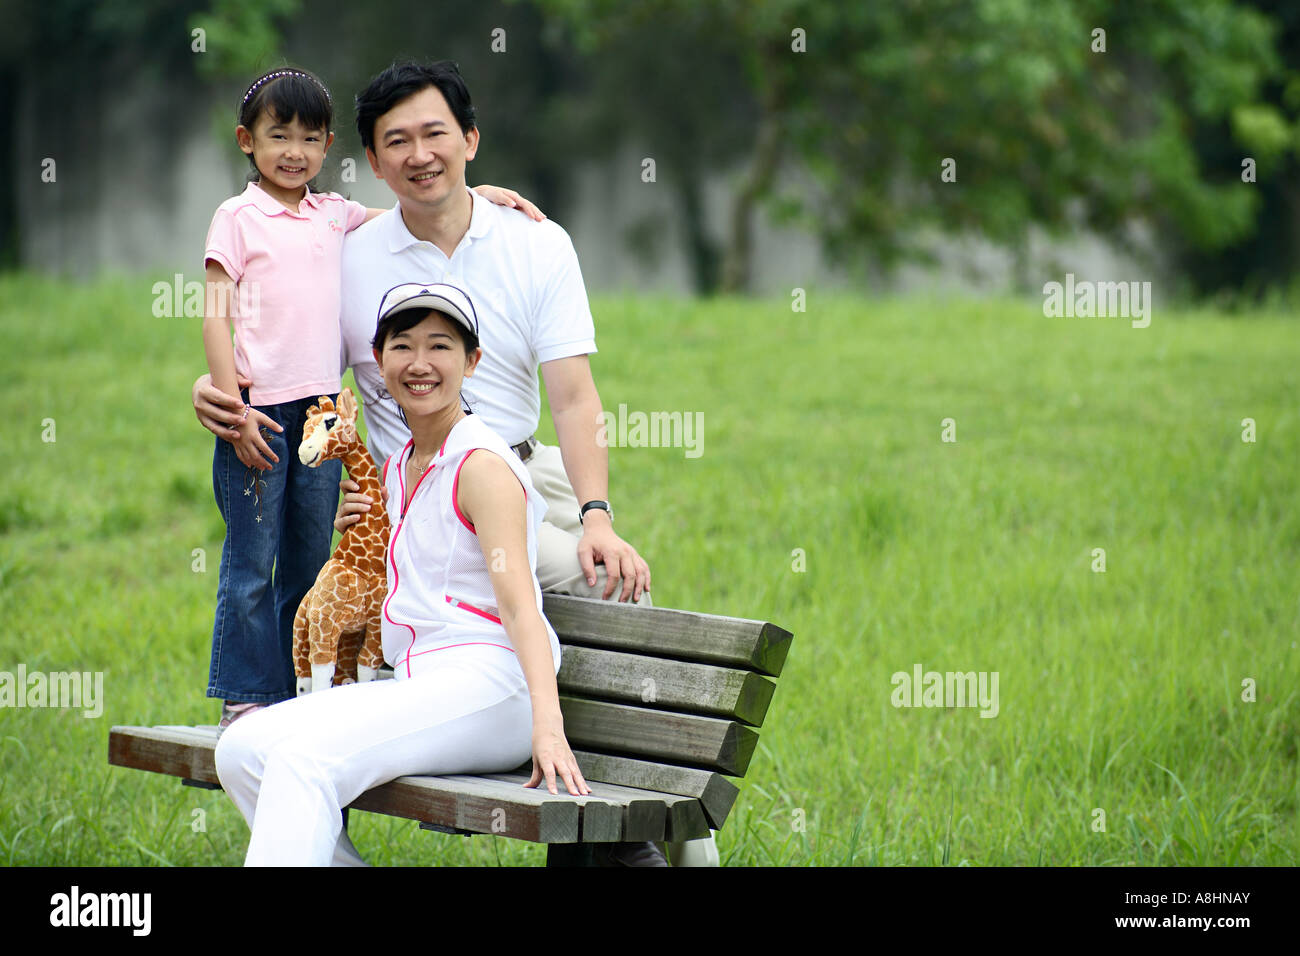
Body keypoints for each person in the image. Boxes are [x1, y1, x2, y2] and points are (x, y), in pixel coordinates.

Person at [201, 66, 541, 729]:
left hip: (323, 413)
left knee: (311, 557)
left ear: (328, 146)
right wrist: (228, 401)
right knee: (251, 561)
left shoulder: (334, 215)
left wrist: (479, 193)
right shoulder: (236, 218)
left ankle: (299, 692)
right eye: (278, 136)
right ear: (247, 140)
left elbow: (412, 210)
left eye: (309, 138)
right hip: (260, 414)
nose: (293, 152)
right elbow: (216, 313)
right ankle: (246, 697)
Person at [214, 283, 589, 866]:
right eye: (402, 346)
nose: (419, 364)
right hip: (426, 683)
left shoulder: (483, 467)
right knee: (241, 749)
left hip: (494, 685)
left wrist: (549, 726)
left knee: (301, 760)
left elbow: (520, 606)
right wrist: (363, 543)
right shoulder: (397, 468)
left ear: (472, 361)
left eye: (440, 346)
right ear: (380, 362)